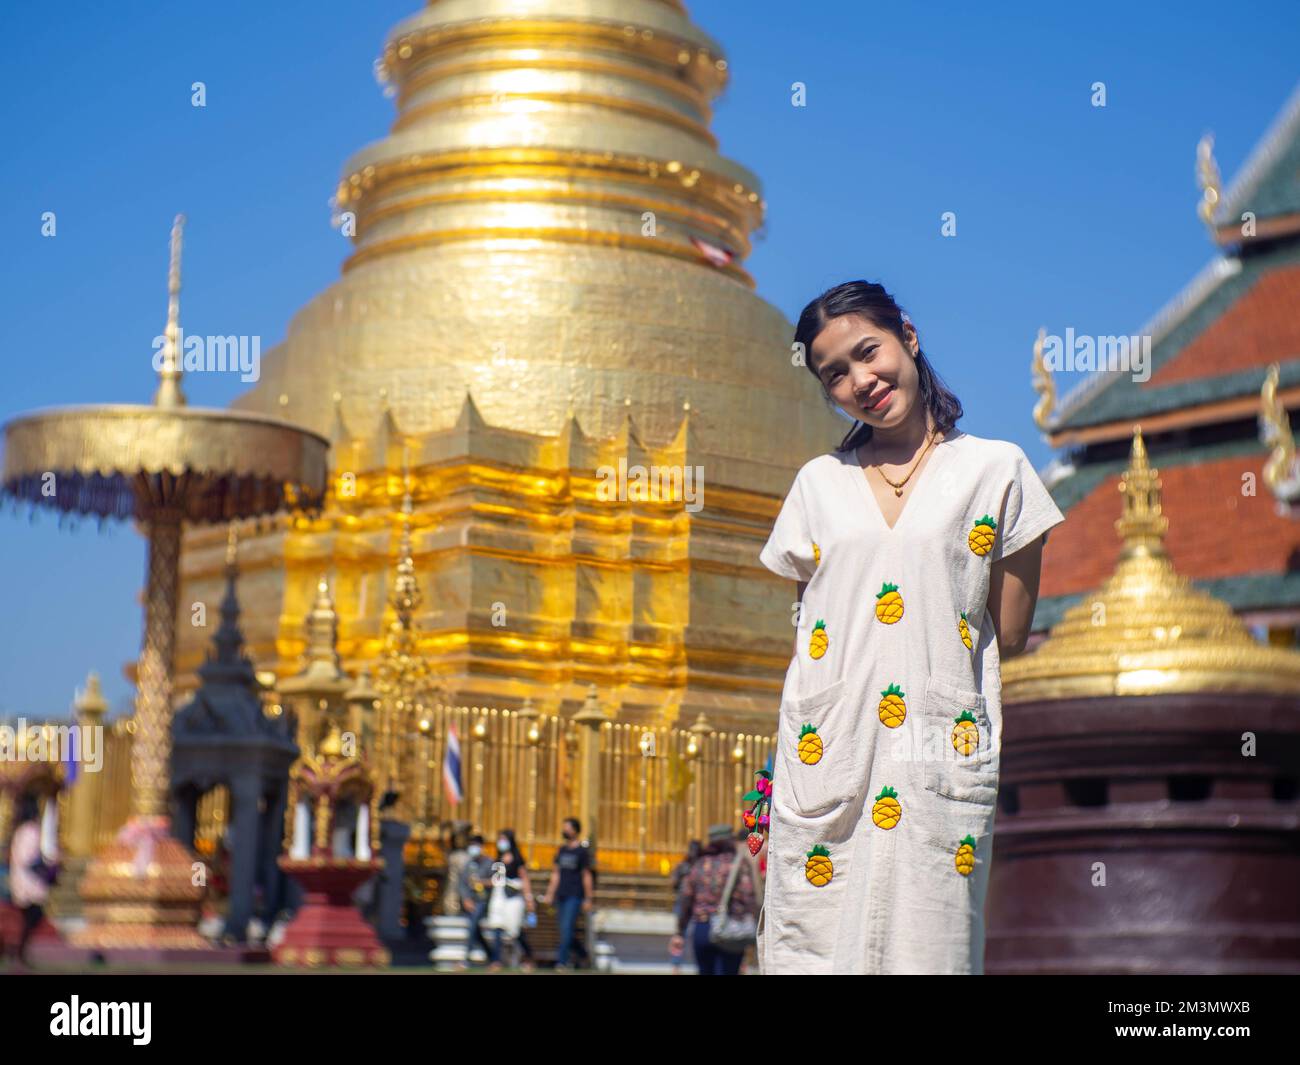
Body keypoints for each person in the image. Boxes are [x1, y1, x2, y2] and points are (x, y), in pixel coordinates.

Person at [756, 281, 1065, 975]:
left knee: (931, 948)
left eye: (869, 352)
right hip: (826, 764)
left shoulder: (996, 472)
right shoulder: (817, 484)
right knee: (814, 947)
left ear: (909, 337)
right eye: (834, 371)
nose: (861, 380)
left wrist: (1014, 547)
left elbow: (1008, 633)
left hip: (935, 752)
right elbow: (814, 636)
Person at [670, 824, 758, 975]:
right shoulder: (738, 864)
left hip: (702, 928)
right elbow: (749, 895)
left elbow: (686, 898)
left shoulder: (699, 864)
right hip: (730, 927)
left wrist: (680, 931)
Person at [8, 794, 57, 968]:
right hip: (29, 881)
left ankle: (19, 953)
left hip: (22, 880)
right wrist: (48, 866)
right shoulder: (30, 830)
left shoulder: (20, 830)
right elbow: (29, 858)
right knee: (32, 917)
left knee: (28, 919)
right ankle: (18, 952)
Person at [541, 816, 593, 970]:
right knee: (565, 930)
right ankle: (583, 954)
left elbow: (586, 875)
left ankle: (562, 962)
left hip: (575, 895)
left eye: (567, 828)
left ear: (575, 830)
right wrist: (550, 893)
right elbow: (556, 874)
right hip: (561, 895)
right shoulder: (562, 850)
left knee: (566, 927)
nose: (564, 830)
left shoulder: (582, 852)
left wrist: (588, 898)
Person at [485, 828, 536, 972]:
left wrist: (528, 898)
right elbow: (495, 879)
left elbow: (524, 878)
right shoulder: (498, 859)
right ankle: (496, 960)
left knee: (515, 930)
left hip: (514, 896)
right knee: (496, 926)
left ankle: (528, 956)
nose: (501, 843)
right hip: (499, 895)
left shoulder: (517, 858)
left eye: (504, 839)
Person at [457, 833, 496, 969]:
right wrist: (466, 899)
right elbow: (462, 883)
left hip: (483, 900)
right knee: (476, 931)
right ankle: (492, 956)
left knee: (472, 927)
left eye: (475, 845)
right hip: (471, 901)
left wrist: (483, 882)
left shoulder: (490, 862)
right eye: (471, 845)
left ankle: (466, 959)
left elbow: (497, 881)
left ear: (481, 846)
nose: (473, 848)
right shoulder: (468, 864)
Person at [669, 840, 702, 972]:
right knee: (682, 936)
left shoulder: (683, 866)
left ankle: (676, 966)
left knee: (680, 935)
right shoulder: (701, 866)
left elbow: (673, 883)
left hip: (684, 903)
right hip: (693, 905)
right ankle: (677, 966)